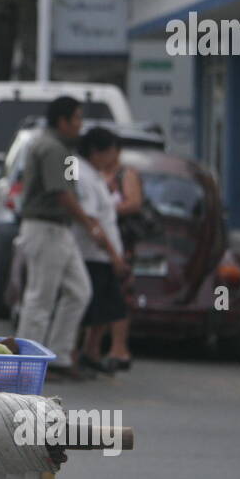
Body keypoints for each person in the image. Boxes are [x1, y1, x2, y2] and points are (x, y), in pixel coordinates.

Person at [13, 96, 102, 378]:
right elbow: (61, 193)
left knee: (79, 291)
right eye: (77, 118)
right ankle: (27, 365)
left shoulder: (58, 146)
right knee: (40, 299)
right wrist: (89, 224)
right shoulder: (52, 148)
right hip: (45, 228)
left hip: (57, 229)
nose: (80, 124)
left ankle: (59, 357)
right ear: (62, 121)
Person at [73, 127, 130, 375]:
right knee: (91, 309)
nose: (115, 159)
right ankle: (77, 355)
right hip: (93, 256)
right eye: (112, 153)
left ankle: (91, 352)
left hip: (102, 256)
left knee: (108, 308)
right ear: (97, 152)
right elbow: (92, 220)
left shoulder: (95, 174)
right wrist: (114, 255)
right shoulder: (83, 176)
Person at [104, 144, 145, 371]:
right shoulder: (96, 173)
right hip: (101, 244)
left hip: (122, 243)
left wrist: (107, 209)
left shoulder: (126, 174)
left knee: (121, 293)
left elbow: (134, 203)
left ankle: (119, 348)